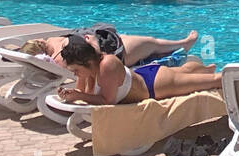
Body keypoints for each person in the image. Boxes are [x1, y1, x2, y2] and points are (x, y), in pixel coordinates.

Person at [55, 35, 221, 105]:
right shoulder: (90, 68)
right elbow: (81, 91)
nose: (75, 75)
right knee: (182, 73)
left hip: (154, 85)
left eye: (76, 70)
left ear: (86, 62)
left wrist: (78, 95)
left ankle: (234, 76)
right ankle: (205, 69)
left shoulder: (107, 65)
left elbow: (107, 101)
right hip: (142, 75)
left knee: (212, 82)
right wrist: (71, 94)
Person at [29, 26, 199, 67]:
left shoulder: (54, 52)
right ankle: (184, 44)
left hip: (110, 43)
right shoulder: (60, 55)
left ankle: (182, 44)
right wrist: (92, 41)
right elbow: (91, 56)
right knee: (151, 42)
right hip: (115, 52)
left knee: (149, 42)